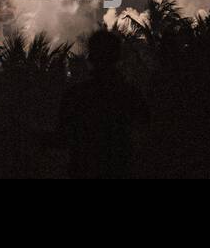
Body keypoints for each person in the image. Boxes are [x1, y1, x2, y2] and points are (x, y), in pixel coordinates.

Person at [52, 28, 149, 178]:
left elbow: (62, 139)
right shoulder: (130, 94)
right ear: (117, 57)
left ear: (90, 57)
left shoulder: (76, 95)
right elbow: (146, 134)